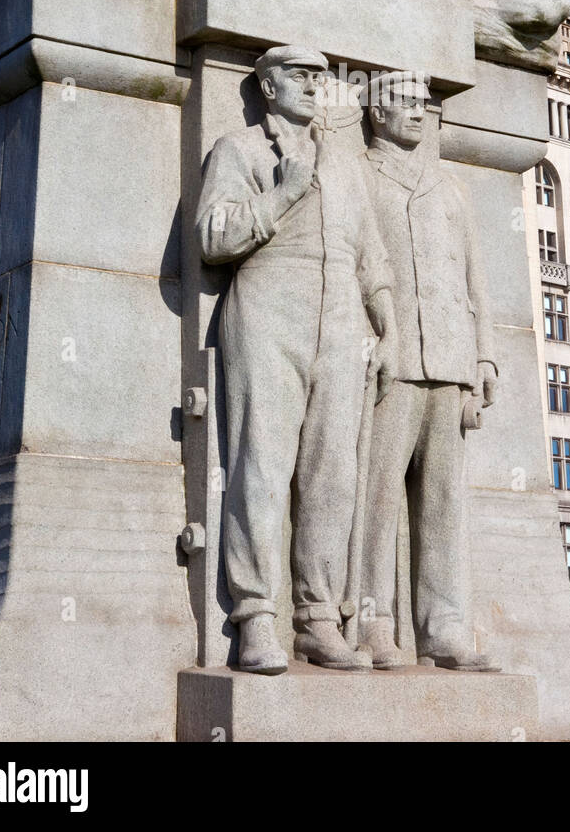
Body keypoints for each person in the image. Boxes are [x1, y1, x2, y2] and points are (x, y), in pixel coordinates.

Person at [196, 45, 398, 674]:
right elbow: (212, 237)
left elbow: (371, 254)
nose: (313, 85)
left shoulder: (344, 163)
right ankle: (256, 614)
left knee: (334, 475)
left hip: (344, 322)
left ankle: (317, 619)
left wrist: (387, 328)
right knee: (261, 465)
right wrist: (281, 196)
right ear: (267, 83)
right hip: (267, 310)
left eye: (320, 76)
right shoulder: (240, 149)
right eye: (300, 75)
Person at [358, 71, 498, 670]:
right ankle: (372, 623)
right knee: (377, 495)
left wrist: (484, 356)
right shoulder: (360, 175)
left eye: (422, 103)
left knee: (442, 500)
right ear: (376, 113)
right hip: (393, 362)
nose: (416, 112)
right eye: (403, 103)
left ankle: (444, 628)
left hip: (449, 360)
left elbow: (477, 281)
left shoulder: (449, 187)